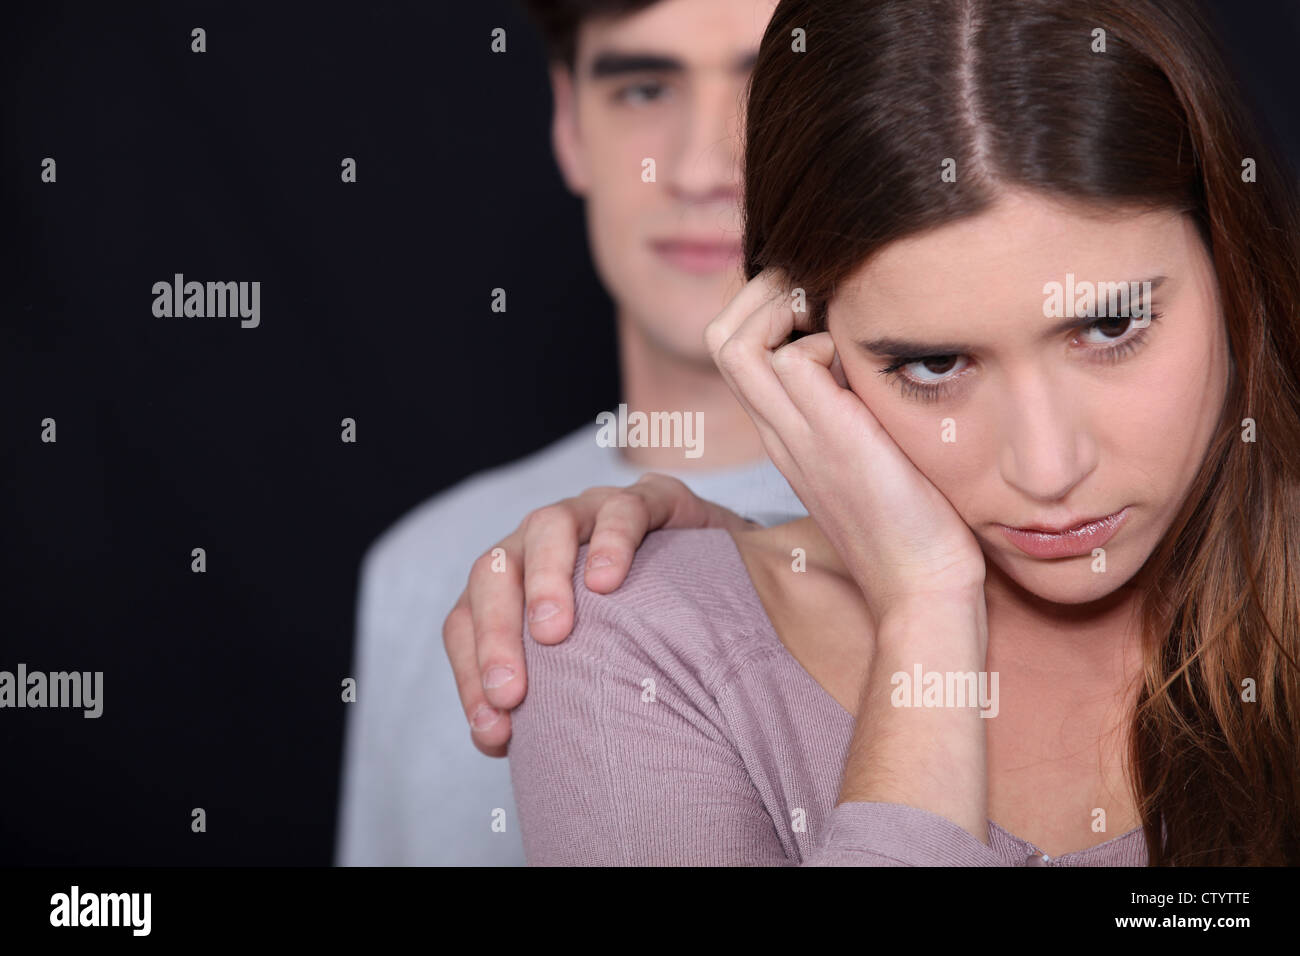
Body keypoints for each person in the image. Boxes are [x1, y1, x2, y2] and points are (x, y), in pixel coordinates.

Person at [456, 0, 1300, 865]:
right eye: (933, 365)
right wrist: (925, 612)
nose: (1048, 469)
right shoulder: (638, 655)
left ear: (1229, 259)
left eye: (1112, 328)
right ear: (795, 347)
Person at [335, 0, 797, 866]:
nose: (701, 166)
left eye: (769, 87)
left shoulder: (1011, 530)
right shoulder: (417, 568)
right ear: (569, 124)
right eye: (645, 88)